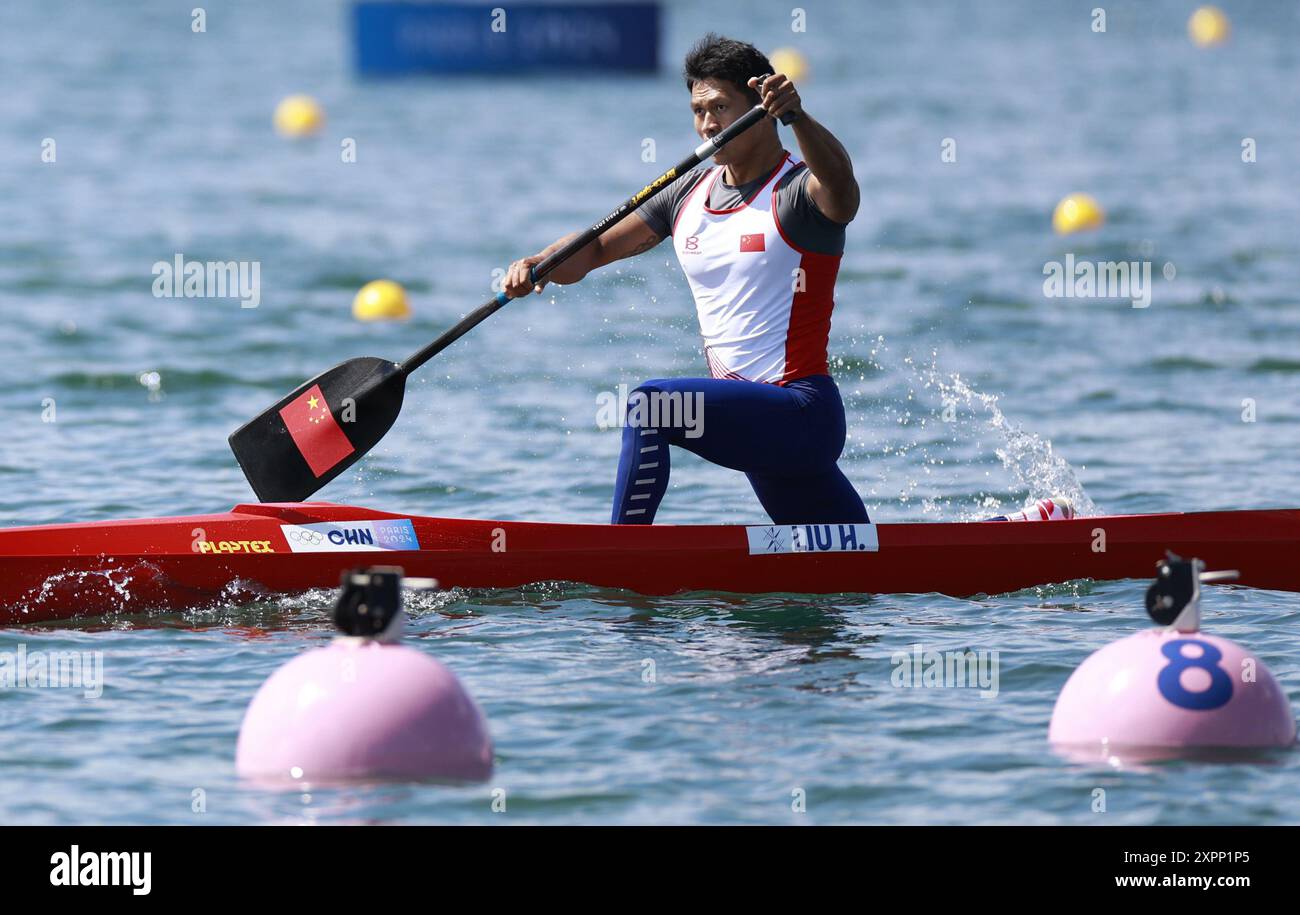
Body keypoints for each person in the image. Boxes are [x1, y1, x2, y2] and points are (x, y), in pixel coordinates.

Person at [506, 34, 871, 525]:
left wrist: (797, 117)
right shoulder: (686, 193)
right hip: (753, 423)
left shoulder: (799, 193)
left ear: (762, 105)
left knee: (651, 406)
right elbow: (593, 248)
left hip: (800, 412)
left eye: (721, 107)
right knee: (852, 561)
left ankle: (621, 558)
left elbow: (843, 189)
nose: (707, 124)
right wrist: (541, 264)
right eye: (698, 110)